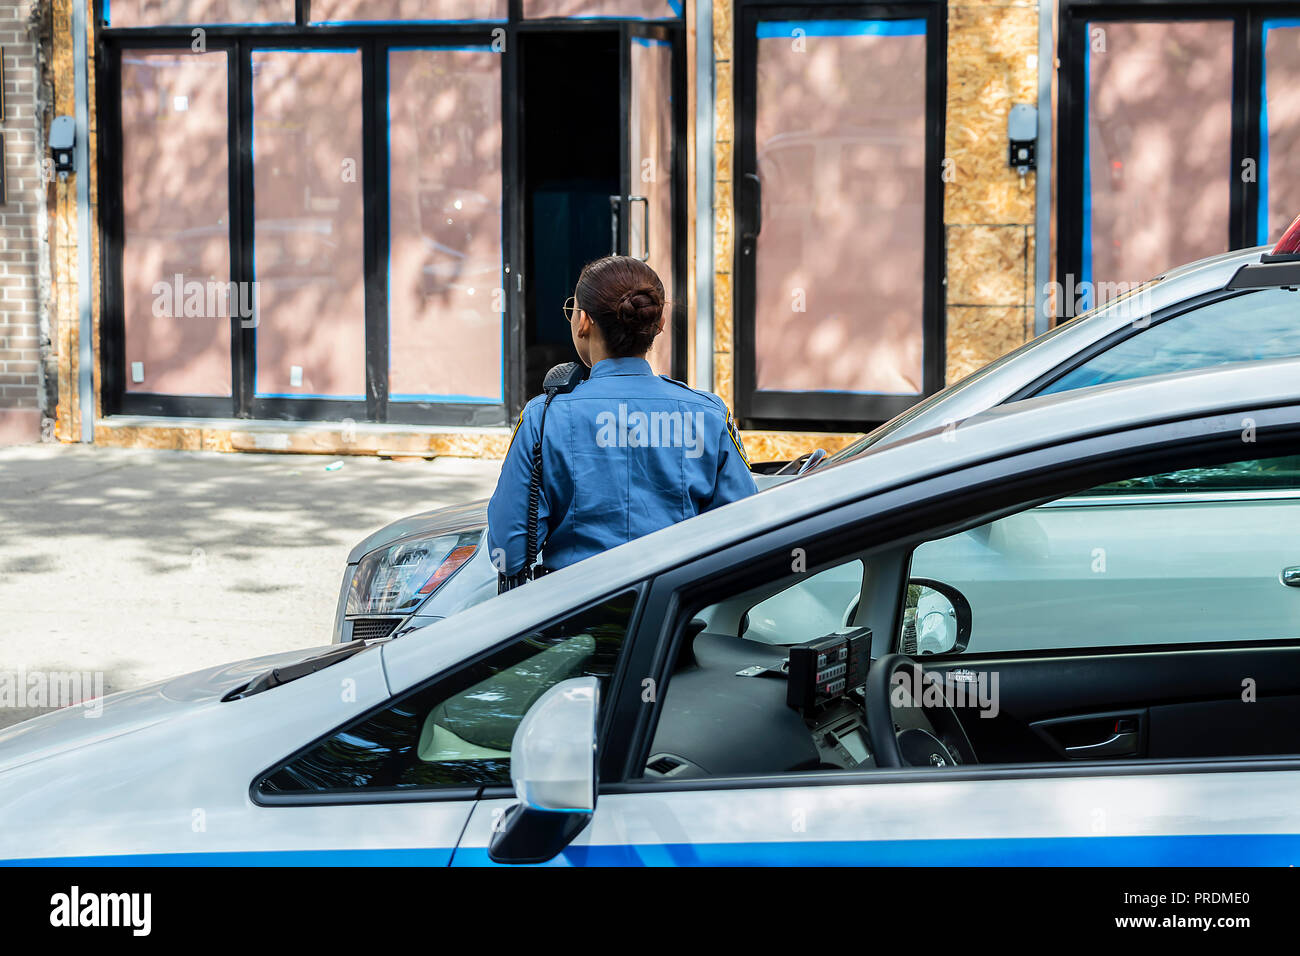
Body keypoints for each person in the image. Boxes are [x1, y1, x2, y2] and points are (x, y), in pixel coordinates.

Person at [488, 255, 757, 585]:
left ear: (583, 321)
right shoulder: (709, 415)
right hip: (677, 626)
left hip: (572, 622)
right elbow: (744, 538)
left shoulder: (544, 417)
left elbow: (510, 552)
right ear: (657, 325)